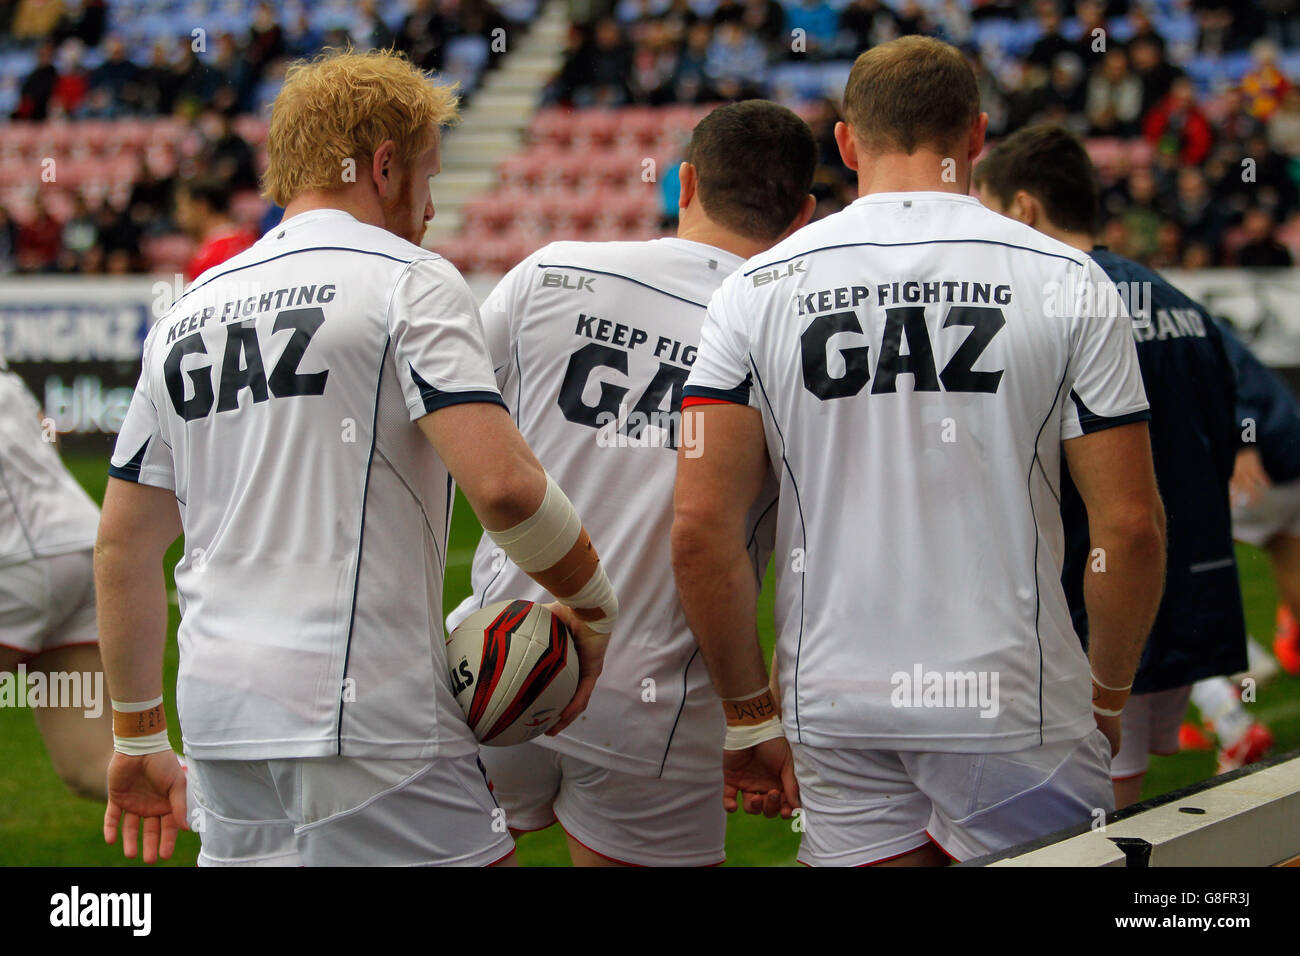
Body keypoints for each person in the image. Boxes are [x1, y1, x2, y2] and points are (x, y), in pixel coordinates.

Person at [95, 50, 617, 867]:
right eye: (426, 175)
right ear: (383, 166)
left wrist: (135, 732)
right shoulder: (407, 279)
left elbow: (123, 544)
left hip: (220, 723)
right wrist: (594, 607)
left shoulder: (185, 311)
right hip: (363, 713)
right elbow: (507, 490)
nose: (434, 205)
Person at [671, 36, 1166, 866]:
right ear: (976, 137)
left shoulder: (752, 289)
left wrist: (750, 713)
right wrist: (1108, 694)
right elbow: (1132, 526)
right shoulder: (1069, 278)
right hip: (1015, 690)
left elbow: (699, 527)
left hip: (837, 695)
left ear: (845, 143)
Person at [447, 101, 816, 867]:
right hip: (659, 704)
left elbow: (445, 436)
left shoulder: (550, 271)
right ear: (804, 215)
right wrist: (756, 714)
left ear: (686, 185)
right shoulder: (791, 333)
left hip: (498, 655)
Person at [974, 122, 1249, 808]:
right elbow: (1223, 437)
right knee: (1123, 788)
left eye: (987, 208)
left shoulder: (1045, 309)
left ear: (1024, 208)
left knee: (1084, 809)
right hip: (1187, 587)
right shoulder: (1183, 305)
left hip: (1089, 602)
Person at [0, 358, 115, 802]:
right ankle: (254, 808)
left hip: (15, 566)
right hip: (81, 551)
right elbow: (44, 432)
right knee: (94, 764)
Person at [174, 179, 257, 282]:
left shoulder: (206, 260)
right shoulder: (251, 239)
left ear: (201, 207)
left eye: (183, 210)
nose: (178, 217)